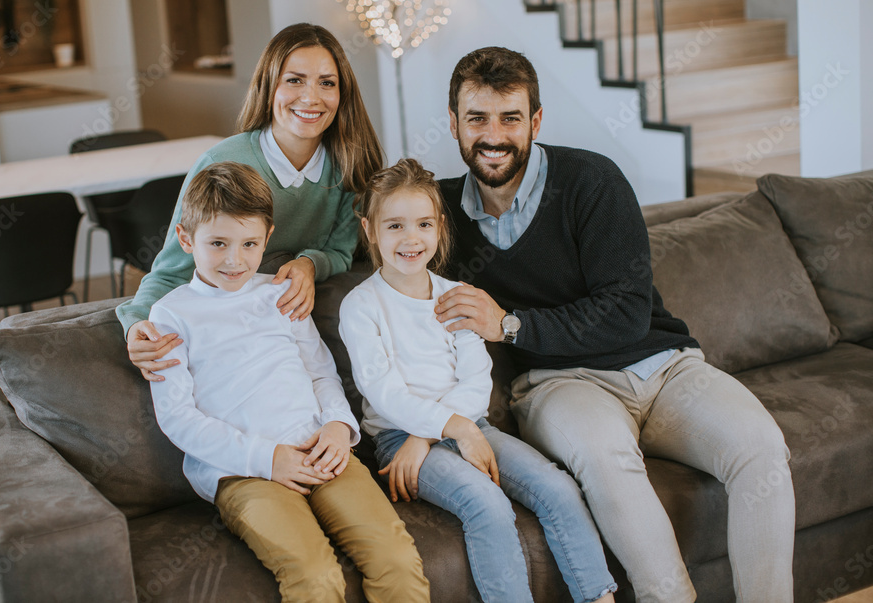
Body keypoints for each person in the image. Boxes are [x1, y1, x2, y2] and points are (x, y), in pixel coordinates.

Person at [432, 47, 795, 603]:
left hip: (664, 368)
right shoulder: (439, 214)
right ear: (454, 122)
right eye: (477, 118)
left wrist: (511, 325)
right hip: (560, 384)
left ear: (536, 121)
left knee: (761, 448)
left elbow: (626, 312)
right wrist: (311, 263)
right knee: (605, 458)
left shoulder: (590, 180)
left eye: (510, 118)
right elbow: (372, 228)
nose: (493, 136)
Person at [147, 162, 430, 602]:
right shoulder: (170, 315)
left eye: (249, 244)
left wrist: (337, 425)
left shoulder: (280, 292)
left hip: (321, 448)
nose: (234, 259)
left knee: (396, 559)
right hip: (244, 471)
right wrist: (267, 458)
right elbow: (178, 418)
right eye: (218, 243)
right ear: (186, 239)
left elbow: (320, 371)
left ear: (267, 238)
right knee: (316, 576)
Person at [338, 159, 617, 603]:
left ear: (440, 226)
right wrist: (450, 430)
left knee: (559, 489)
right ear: (369, 230)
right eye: (394, 226)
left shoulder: (456, 295)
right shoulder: (361, 306)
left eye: (423, 224)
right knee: (487, 505)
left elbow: (476, 380)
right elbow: (385, 394)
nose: (411, 239)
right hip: (399, 436)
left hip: (466, 427)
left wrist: (437, 434)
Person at [118, 22, 383, 381]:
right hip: (226, 329)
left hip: (288, 329)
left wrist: (308, 264)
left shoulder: (351, 165)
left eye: (327, 83)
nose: (311, 97)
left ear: (342, 93)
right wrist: (136, 323)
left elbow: (339, 251)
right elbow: (170, 272)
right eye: (294, 80)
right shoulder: (221, 163)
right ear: (268, 86)